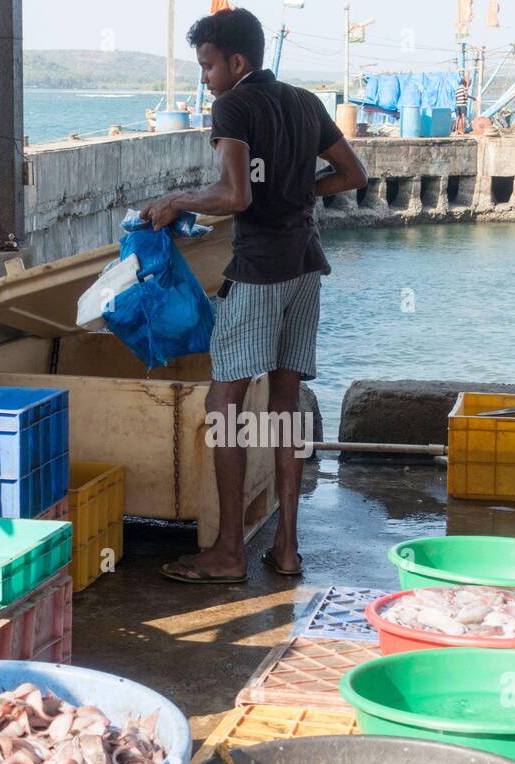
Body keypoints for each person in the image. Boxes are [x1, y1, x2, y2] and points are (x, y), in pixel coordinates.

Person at [141, 7, 366, 584]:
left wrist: (177, 200)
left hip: (261, 270)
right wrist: (299, 189)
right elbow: (352, 175)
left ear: (236, 61)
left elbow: (235, 195)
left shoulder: (234, 105)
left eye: (209, 66)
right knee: (286, 401)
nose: (206, 78)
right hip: (305, 266)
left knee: (225, 402)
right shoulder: (304, 101)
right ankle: (286, 549)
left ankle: (227, 553)